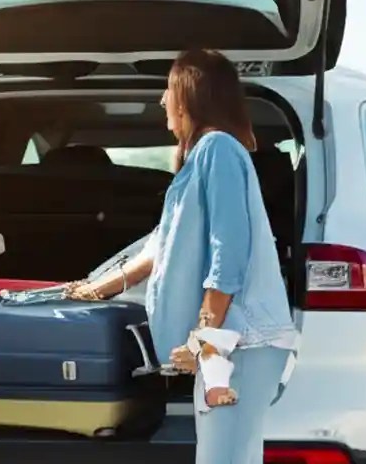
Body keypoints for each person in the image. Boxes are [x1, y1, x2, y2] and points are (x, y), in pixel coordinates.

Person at [65, 48, 298, 464]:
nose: (161, 101)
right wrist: (101, 287)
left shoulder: (218, 151)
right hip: (233, 343)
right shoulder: (203, 158)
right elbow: (163, 243)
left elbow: (230, 253)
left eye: (168, 90)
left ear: (190, 95)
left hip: (239, 342)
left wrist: (203, 339)